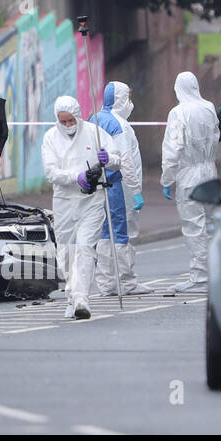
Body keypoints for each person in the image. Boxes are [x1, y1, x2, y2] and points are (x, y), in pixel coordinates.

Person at [41, 95, 121, 319]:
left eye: (71, 120)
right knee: (67, 252)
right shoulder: (50, 138)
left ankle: (82, 299)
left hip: (92, 199)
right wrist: (76, 177)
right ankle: (72, 296)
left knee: (85, 247)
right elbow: (51, 173)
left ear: (78, 116)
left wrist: (109, 159)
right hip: (65, 201)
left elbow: (117, 158)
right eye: (63, 121)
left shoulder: (94, 132)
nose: (68, 125)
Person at [160, 72, 221, 293]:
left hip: (189, 173)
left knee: (194, 226)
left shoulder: (178, 113)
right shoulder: (209, 107)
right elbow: (216, 135)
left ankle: (200, 276)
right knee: (212, 224)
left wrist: (167, 178)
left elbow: (172, 149)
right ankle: (217, 272)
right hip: (209, 170)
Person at [91, 81, 150, 296]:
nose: (131, 102)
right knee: (123, 234)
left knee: (104, 234)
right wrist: (135, 191)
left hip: (99, 186)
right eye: (129, 97)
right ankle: (126, 282)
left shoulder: (95, 118)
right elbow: (126, 161)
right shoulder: (120, 125)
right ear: (121, 98)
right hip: (120, 186)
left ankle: (107, 283)